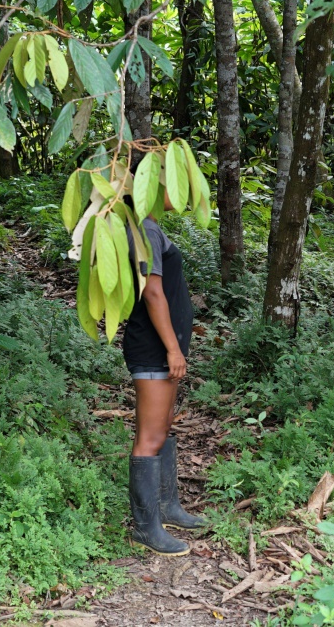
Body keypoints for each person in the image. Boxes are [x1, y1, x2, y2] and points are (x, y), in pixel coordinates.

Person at [123, 193, 206, 556]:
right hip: (153, 346)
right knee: (149, 437)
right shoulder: (143, 229)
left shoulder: (151, 228)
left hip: (162, 345)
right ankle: (145, 528)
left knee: (163, 428)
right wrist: (172, 348)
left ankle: (167, 509)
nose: (179, 190)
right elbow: (153, 293)